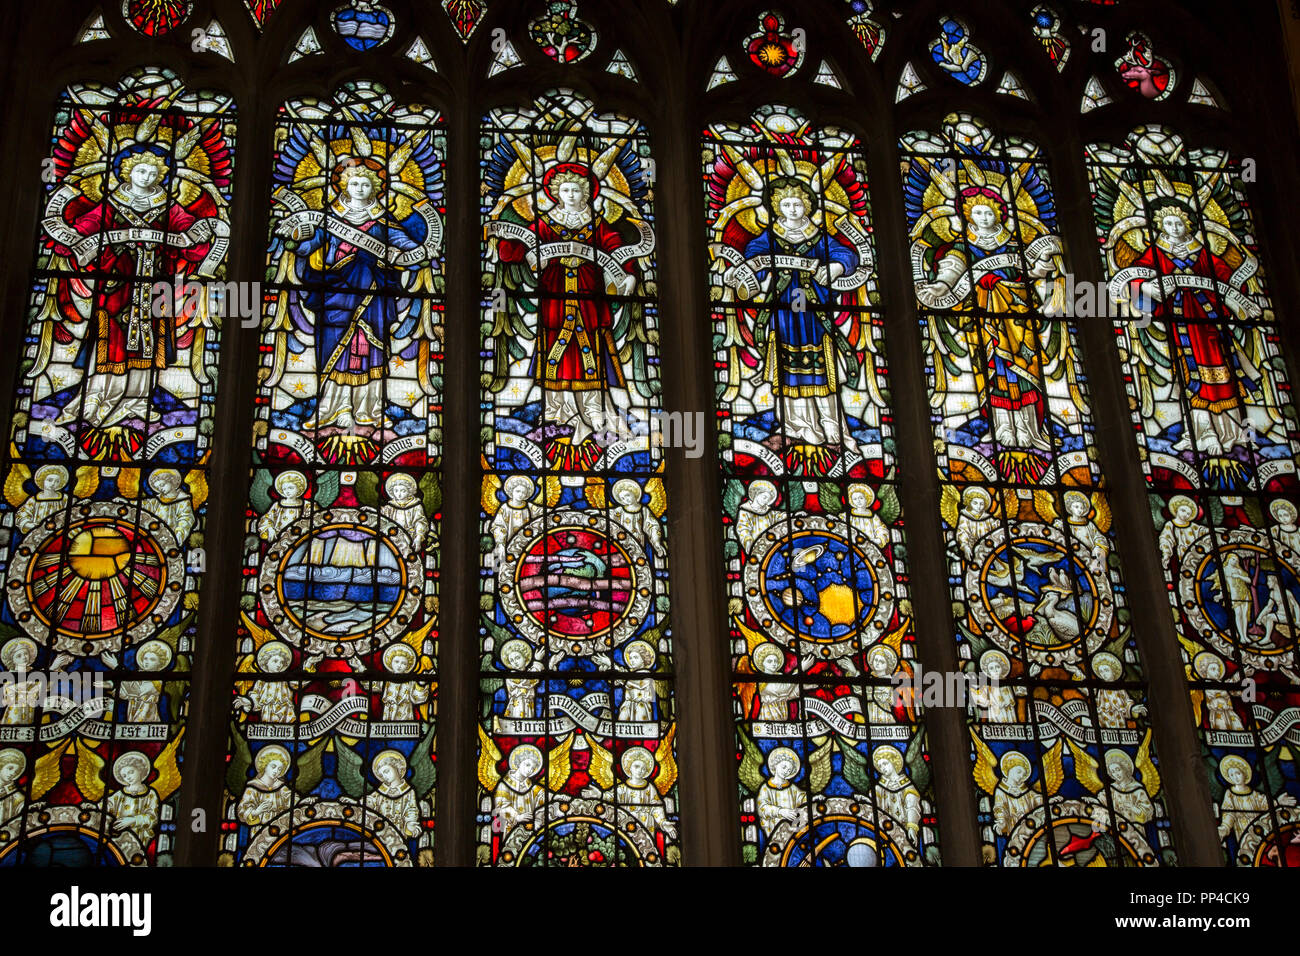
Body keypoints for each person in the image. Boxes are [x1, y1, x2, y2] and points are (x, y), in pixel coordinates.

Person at [48, 148, 228, 429]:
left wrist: (199, 233)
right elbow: (87, 227)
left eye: (155, 173)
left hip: (155, 285)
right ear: (127, 172)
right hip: (117, 282)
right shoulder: (113, 203)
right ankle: (97, 394)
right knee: (111, 337)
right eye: (142, 171)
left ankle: (138, 397)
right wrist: (78, 237)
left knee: (150, 338)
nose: (148, 177)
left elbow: (188, 231)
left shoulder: (166, 205)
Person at [493, 165, 638, 445]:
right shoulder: (546, 223)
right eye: (565, 190)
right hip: (555, 291)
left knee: (591, 349)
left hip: (589, 294)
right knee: (555, 349)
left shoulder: (596, 224)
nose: (571, 195)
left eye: (576, 190)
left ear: (586, 194)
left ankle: (594, 411)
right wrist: (519, 246)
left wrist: (627, 273)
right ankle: (556, 411)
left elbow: (617, 249)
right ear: (556, 194)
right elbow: (513, 249)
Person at [279, 161, 424, 432]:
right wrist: (296, 238)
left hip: (372, 294)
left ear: (376, 188)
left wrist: (408, 254)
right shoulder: (330, 217)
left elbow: (404, 244)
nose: (359, 188)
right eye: (354, 183)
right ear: (343, 185)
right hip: (336, 292)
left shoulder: (382, 220)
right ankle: (333, 408)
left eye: (366, 183)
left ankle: (369, 409)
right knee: (335, 346)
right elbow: (310, 243)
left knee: (371, 350)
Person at [723, 180, 862, 453]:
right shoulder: (770, 237)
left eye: (797, 204)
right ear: (776, 208)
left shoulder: (817, 236)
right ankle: (795, 427)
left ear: (808, 206)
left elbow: (846, 255)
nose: (792, 209)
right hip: (785, 311)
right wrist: (741, 273)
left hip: (813, 312)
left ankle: (832, 430)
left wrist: (835, 267)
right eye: (786, 204)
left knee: (824, 371)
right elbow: (754, 260)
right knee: (787, 371)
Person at [917, 189, 1053, 452]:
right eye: (977, 212)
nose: (983, 217)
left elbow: (1034, 272)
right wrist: (940, 287)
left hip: (1018, 318)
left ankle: (1032, 428)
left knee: (1024, 370)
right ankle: (1000, 425)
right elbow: (952, 270)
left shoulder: (1014, 246)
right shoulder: (962, 247)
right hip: (984, 320)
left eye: (988, 212)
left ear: (999, 215)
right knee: (992, 372)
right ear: (968, 216)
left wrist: (1045, 259)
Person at [1126, 202, 1263, 456]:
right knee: (1191, 376)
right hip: (1181, 325)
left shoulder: (1201, 252)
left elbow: (1229, 279)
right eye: (1168, 223)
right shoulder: (1156, 253)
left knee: (1226, 375)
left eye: (1179, 223)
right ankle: (1200, 433)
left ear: (1188, 225)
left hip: (1209, 323)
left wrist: (1235, 298)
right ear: (1159, 227)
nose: (1174, 228)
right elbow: (1134, 278)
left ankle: (1232, 433)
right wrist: (1144, 288)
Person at [615, 746, 676, 839]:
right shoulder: (622, 789)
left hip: (647, 825)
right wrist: (598, 794)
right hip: (626, 826)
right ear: (629, 768)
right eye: (636, 766)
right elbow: (609, 798)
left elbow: (656, 807)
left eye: (644, 768)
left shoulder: (650, 788)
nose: (640, 770)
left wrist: (662, 822)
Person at [106, 751, 160, 846]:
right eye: (124, 776)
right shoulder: (119, 795)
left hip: (142, 838)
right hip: (120, 838)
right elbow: (105, 807)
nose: (128, 777)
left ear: (139, 769)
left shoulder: (150, 794)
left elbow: (153, 818)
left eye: (131, 772)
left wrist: (133, 820)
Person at [366, 750, 423, 839]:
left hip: (399, 837)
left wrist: (410, 825)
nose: (384, 777)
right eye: (381, 775)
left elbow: (411, 810)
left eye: (386, 771)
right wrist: (355, 803)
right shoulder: (380, 792)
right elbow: (369, 802)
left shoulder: (408, 791)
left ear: (396, 767)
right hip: (379, 835)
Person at [233, 642, 295, 723]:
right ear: (266, 662)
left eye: (281, 662)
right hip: (267, 713)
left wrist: (308, 664)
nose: (279, 665)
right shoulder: (260, 681)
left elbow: (297, 683)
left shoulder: (286, 680)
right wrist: (248, 701)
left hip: (286, 712)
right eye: (275, 661)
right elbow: (256, 697)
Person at [493, 744, 546, 836]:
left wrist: (561, 797)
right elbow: (500, 807)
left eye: (533, 768)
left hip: (530, 831)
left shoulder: (531, 787)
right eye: (527, 765)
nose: (530, 770)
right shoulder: (504, 785)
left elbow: (544, 795)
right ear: (518, 762)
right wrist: (517, 817)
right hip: (511, 830)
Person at [873, 746, 923, 838]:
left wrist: (911, 827)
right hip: (885, 831)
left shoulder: (907, 785)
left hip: (905, 830)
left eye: (885, 763)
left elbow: (912, 806)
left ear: (893, 762)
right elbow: (874, 806)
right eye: (879, 766)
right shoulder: (878, 788)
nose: (882, 768)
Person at [491, 476, 540, 569]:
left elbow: (542, 512)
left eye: (523, 492)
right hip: (509, 543)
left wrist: (560, 509)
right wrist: (501, 544)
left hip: (526, 544)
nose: (520, 494)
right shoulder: (505, 508)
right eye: (518, 491)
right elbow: (498, 526)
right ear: (511, 492)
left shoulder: (529, 507)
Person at [757, 747, 808, 838]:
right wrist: (781, 811)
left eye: (789, 770)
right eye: (784, 767)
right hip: (773, 830)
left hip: (792, 830)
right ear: (775, 764)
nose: (786, 772)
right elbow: (762, 808)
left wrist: (813, 799)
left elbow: (802, 799)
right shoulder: (766, 788)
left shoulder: (792, 788)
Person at [236, 745, 292, 826]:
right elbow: (242, 809)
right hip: (259, 829)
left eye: (280, 769)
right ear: (265, 765)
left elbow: (292, 799)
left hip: (281, 827)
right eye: (273, 766)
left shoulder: (281, 786)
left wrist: (304, 801)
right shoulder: (253, 787)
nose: (276, 771)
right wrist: (256, 812)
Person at [118, 640, 172, 723]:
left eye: (152, 659)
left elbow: (138, 691)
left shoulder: (157, 681)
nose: (147, 662)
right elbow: (125, 695)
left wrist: (116, 667)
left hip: (148, 717)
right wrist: (111, 687)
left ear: (160, 663)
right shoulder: (137, 676)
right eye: (145, 658)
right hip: (132, 714)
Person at [610, 479, 666, 558]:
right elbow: (609, 515)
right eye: (622, 498)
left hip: (640, 541)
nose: (626, 499)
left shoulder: (644, 510)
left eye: (627, 495)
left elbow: (652, 526)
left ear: (634, 493)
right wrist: (598, 512)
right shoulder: (619, 511)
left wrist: (656, 542)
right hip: (624, 542)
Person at [992, 751, 1043, 836]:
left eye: (1023, 775)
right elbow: (999, 806)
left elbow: (1037, 799)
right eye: (1019, 772)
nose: (1020, 776)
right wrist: (1001, 820)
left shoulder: (1026, 791)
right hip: (1013, 827)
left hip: (1030, 826)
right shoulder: (1001, 790)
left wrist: (1049, 801)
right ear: (1009, 769)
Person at [1092, 652, 1146, 729]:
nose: (1103, 674)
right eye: (1101, 672)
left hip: (1119, 720)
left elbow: (1126, 702)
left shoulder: (1120, 688)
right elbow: (1098, 703)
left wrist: (1132, 709)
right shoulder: (1101, 689)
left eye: (1106, 670)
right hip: (1105, 721)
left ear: (1113, 670)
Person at [1195, 653, 1245, 731]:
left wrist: (1241, 674)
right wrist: (1237, 676)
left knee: (1238, 730)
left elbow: (1232, 690)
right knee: (1222, 731)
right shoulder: (1206, 684)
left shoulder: (1222, 684)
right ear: (1205, 671)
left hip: (1230, 713)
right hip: (1218, 714)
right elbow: (1225, 687)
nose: (1217, 672)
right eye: (1213, 669)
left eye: (1218, 670)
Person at [1064, 491, 1109, 575]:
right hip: (1075, 556)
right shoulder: (1063, 524)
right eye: (1076, 507)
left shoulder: (1090, 524)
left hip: (1091, 556)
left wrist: (1098, 547)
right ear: (1069, 507)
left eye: (1081, 507)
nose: (1079, 510)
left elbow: (1099, 537)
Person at [379, 644, 428, 721]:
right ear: (390, 662)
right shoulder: (386, 680)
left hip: (405, 712)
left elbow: (418, 698)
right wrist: (360, 667)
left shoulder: (411, 682)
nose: (399, 665)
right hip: (389, 712)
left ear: (408, 666)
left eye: (403, 663)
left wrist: (421, 685)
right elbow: (371, 685)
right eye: (396, 661)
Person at [145, 469, 195, 544]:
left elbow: (186, 519)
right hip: (154, 536)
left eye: (162, 485)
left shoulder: (183, 499)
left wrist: (177, 537)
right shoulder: (156, 500)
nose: (160, 489)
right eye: (158, 488)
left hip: (171, 537)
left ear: (172, 481)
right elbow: (145, 505)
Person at [14, 465, 69, 533]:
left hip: (58, 532)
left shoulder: (65, 499)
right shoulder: (34, 500)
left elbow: (71, 515)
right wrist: (33, 526)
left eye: (57, 481)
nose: (53, 483)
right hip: (37, 533)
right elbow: (22, 515)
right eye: (50, 480)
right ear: (43, 480)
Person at [752, 642, 798, 722]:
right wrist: (799, 672)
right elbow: (781, 690)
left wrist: (802, 687)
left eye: (775, 661)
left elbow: (788, 695)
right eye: (770, 661)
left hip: (783, 711)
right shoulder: (762, 681)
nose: (774, 664)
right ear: (762, 663)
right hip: (769, 712)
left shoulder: (780, 676)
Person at [380, 474, 429, 548]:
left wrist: (418, 537)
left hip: (409, 538)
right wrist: (370, 509)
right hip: (392, 537)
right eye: (396, 491)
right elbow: (381, 518)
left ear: (409, 491)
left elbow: (420, 522)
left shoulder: (416, 506)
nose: (399, 494)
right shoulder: (390, 507)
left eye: (403, 491)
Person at [0, 639, 41, 726]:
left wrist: (54, 668)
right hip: (15, 713)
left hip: (29, 713)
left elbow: (43, 688)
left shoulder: (33, 674)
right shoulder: (10, 677)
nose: (24, 657)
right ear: (12, 660)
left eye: (25, 653)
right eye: (19, 656)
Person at [258, 471, 308, 542]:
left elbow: (313, 521)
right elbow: (267, 518)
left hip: (299, 538)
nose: (287, 491)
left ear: (299, 488)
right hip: (279, 538)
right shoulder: (277, 504)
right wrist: (270, 529)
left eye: (290, 488)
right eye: (284, 489)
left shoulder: (306, 504)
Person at [1158, 495, 1205, 569]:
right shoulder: (1170, 525)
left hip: (1197, 558)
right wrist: (1166, 554)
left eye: (1188, 513)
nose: (1185, 515)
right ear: (1176, 509)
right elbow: (1165, 539)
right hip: (1180, 558)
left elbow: (1203, 531)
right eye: (1183, 510)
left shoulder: (1193, 526)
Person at [617, 641, 657, 723]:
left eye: (635, 657)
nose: (632, 661)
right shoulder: (631, 675)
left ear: (643, 659)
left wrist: (613, 666)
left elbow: (637, 684)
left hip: (641, 706)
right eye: (631, 658)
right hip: (627, 706)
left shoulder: (646, 674)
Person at [736, 480, 779, 554]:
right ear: (757, 494)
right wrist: (748, 541)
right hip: (754, 545)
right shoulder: (745, 510)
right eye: (764, 497)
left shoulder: (769, 511)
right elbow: (743, 528)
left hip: (770, 546)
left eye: (768, 500)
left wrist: (795, 514)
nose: (766, 501)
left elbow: (779, 516)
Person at [499, 640, 538, 721]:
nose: (515, 662)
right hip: (516, 705)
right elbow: (526, 681)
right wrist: (537, 662)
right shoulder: (512, 675)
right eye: (512, 661)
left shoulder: (529, 672)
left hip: (529, 704)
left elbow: (534, 678)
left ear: (525, 657)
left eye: (517, 658)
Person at [955, 487, 998, 559]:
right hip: (972, 550)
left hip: (990, 549)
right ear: (969, 502)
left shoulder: (988, 518)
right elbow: (962, 532)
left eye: (981, 504)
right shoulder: (965, 517)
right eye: (975, 503)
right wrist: (965, 546)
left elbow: (996, 531)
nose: (978, 506)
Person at [846, 484, 890, 549]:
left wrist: (879, 539)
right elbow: (840, 525)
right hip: (853, 546)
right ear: (851, 501)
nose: (858, 501)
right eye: (855, 499)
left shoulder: (873, 516)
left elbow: (880, 528)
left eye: (861, 498)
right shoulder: (847, 515)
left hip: (870, 547)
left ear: (866, 498)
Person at [0, 749, 27, 828]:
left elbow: (21, 805)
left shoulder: (13, 792)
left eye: (16, 771)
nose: (12, 773)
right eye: (10, 768)